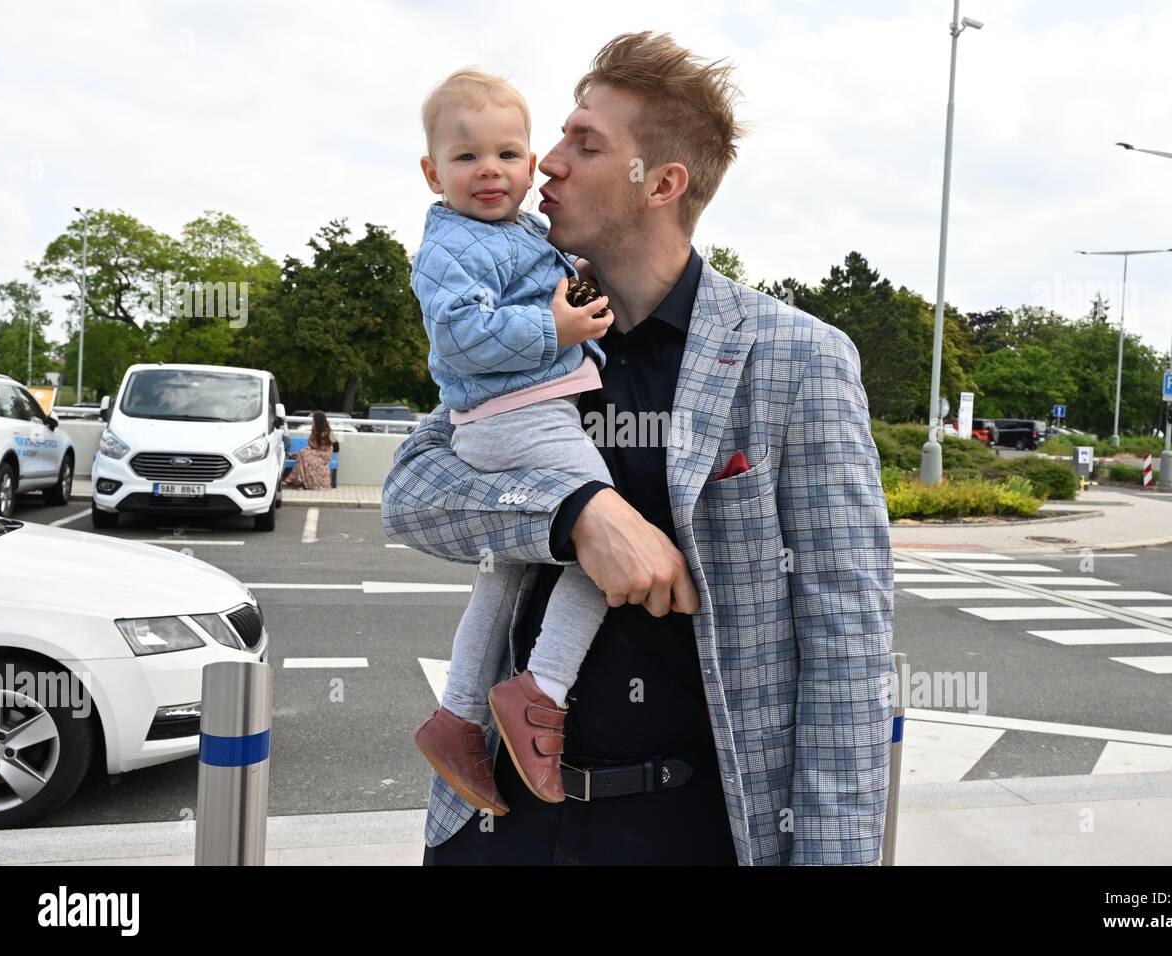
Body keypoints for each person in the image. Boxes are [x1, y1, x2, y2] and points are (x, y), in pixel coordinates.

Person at [383, 31, 895, 866]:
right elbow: (413, 496)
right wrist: (576, 514)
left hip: (685, 827)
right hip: (494, 826)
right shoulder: (528, 317)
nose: (545, 161)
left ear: (661, 183)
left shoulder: (796, 357)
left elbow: (847, 653)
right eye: (557, 136)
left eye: (585, 143)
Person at [407, 67, 621, 817]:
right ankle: (542, 692)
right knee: (610, 543)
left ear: (531, 166)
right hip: (518, 418)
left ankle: (460, 715)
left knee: (506, 565)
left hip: (524, 415)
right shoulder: (450, 246)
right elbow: (459, 334)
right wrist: (554, 330)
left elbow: (541, 280)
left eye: (507, 154)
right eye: (466, 159)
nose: (489, 171)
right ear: (434, 173)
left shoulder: (519, 231)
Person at [282, 411, 335, 491]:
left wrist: (326, 445)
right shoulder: (315, 430)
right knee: (302, 454)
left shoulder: (329, 432)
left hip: (324, 455)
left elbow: (336, 447)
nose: (313, 421)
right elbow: (312, 445)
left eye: (314, 419)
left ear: (318, 420)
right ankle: (292, 479)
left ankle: (289, 479)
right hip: (316, 453)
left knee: (302, 453)